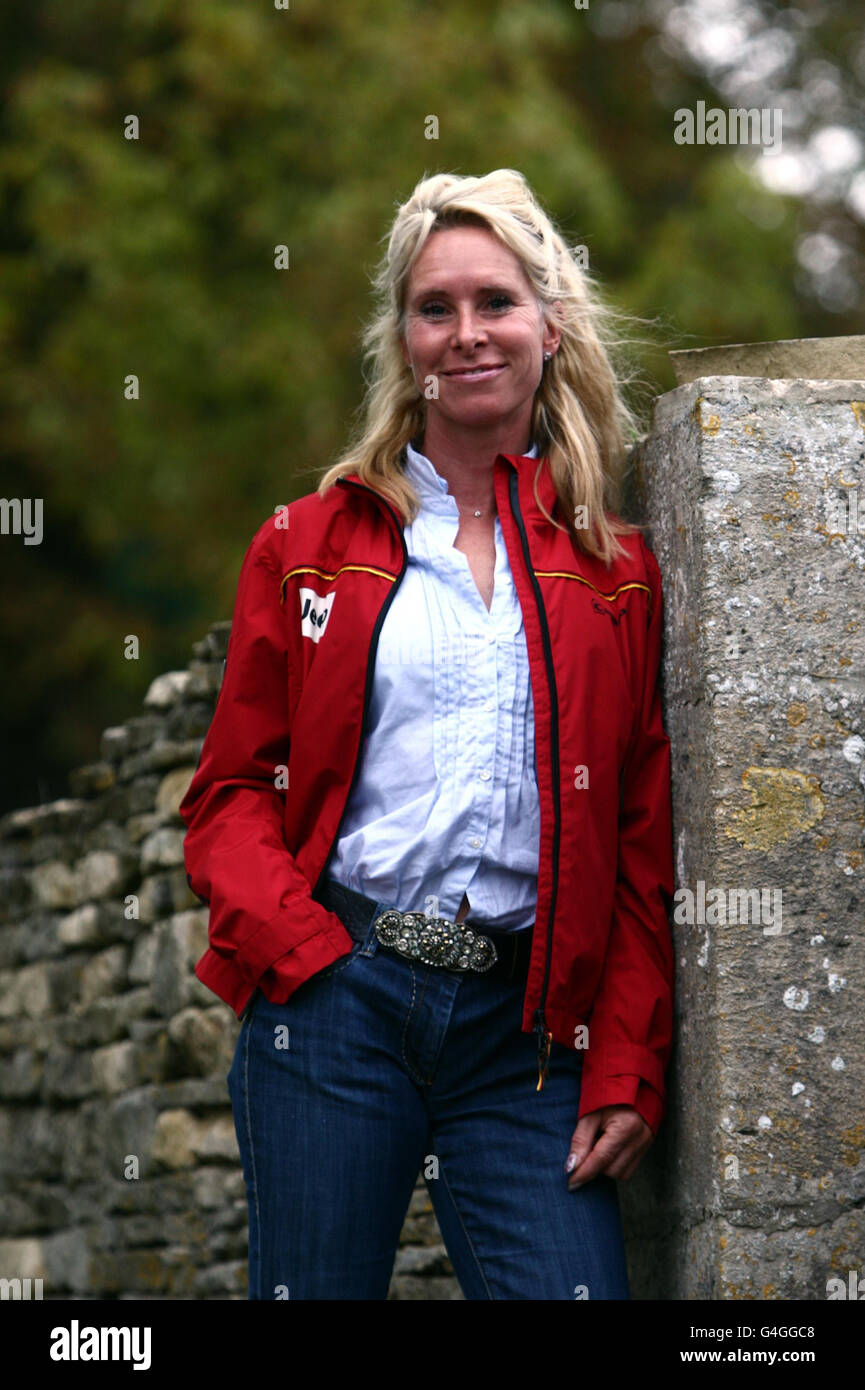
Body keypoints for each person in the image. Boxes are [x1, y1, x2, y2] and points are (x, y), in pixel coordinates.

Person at [179, 167, 674, 1301]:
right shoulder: (305, 542)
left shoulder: (616, 573)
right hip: (337, 1003)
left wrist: (631, 1055)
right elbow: (229, 791)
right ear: (401, 337)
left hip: (529, 1036)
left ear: (549, 326)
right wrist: (299, 953)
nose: (465, 334)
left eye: (493, 302)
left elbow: (642, 840)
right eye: (432, 308)